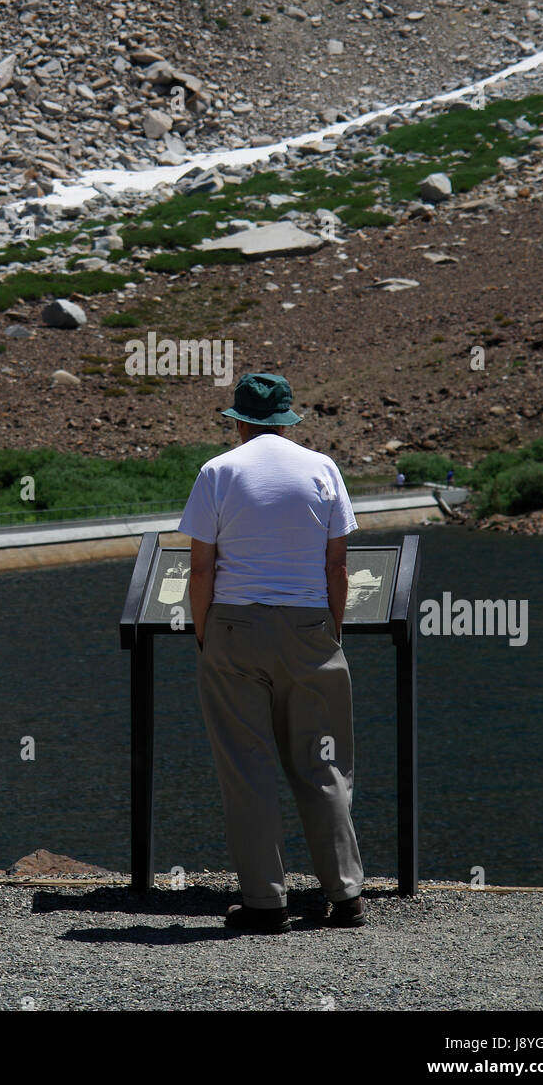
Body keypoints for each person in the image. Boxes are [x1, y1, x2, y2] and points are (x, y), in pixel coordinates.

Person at [179, 371, 365, 934]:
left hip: (236, 629)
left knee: (247, 768)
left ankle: (265, 902)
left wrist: (206, 633)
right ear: (288, 419)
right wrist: (331, 628)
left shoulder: (218, 471)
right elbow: (336, 565)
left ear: (237, 419)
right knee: (323, 763)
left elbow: (202, 567)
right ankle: (347, 895)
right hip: (310, 629)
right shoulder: (323, 468)